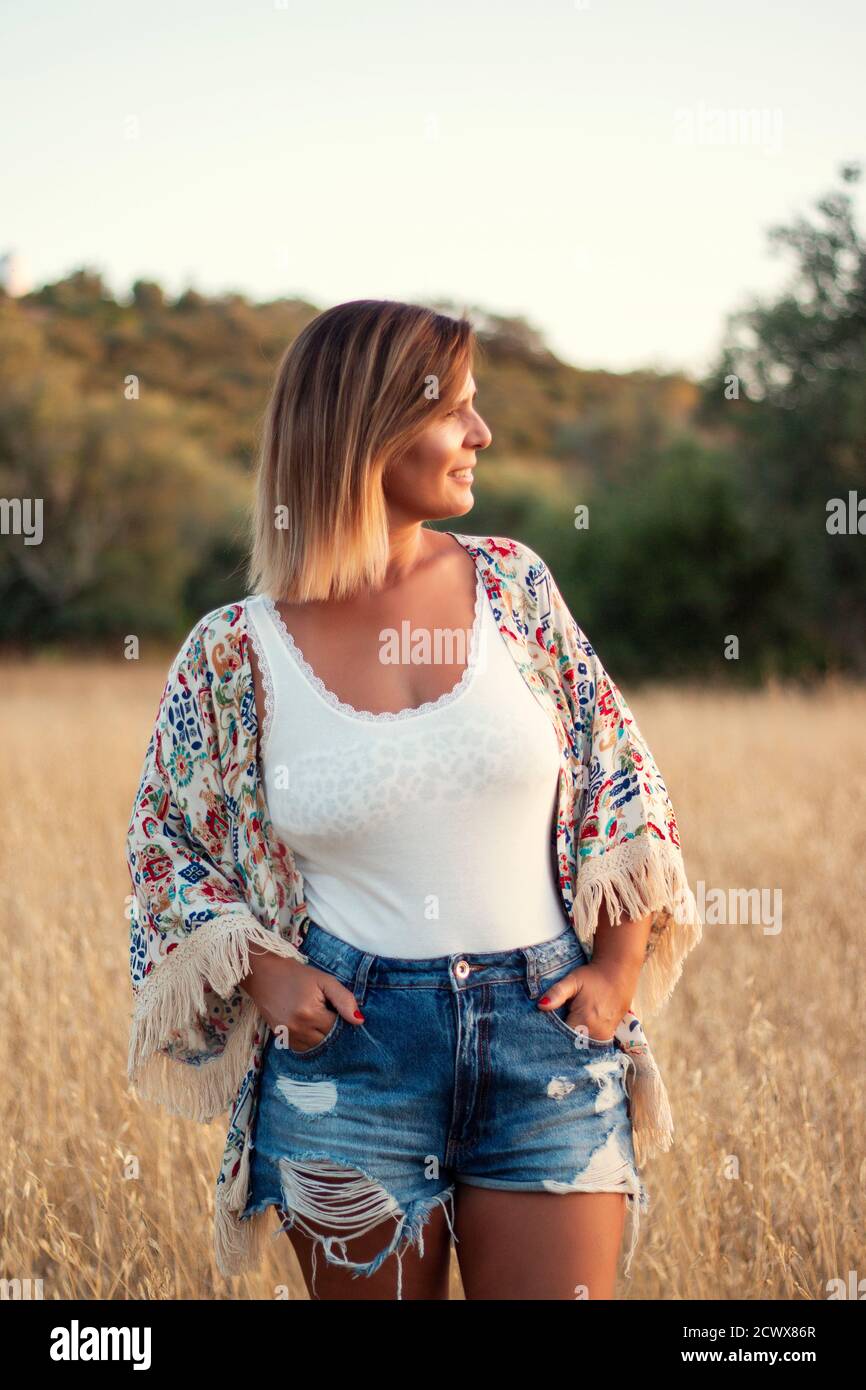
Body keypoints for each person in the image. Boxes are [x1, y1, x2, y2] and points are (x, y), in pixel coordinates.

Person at [125, 298, 702, 1301]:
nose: (480, 434)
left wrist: (613, 970)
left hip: (545, 1041)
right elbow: (167, 845)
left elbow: (621, 774)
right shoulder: (230, 652)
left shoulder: (514, 586)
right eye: (458, 411)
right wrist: (263, 973)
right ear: (366, 424)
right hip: (348, 1060)